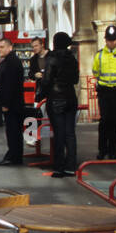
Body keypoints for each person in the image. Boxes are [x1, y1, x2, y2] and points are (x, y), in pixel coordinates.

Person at [42, 32, 80, 177]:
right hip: (71, 97)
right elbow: (75, 79)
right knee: (70, 133)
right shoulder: (72, 58)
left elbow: (46, 80)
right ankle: (71, 166)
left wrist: (41, 93)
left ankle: (59, 167)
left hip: (56, 97)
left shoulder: (52, 57)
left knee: (59, 133)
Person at [92, 24, 116, 160]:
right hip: (104, 92)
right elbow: (95, 71)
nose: (111, 42)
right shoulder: (99, 55)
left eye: (114, 40)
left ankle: (112, 151)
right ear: (105, 40)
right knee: (104, 121)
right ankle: (102, 150)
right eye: (109, 40)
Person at [0, 37, 26, 165]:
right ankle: (13, 155)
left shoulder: (12, 62)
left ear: (10, 47)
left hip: (12, 104)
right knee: (12, 130)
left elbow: (10, 85)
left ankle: (14, 157)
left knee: (13, 131)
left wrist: (6, 104)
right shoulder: (8, 61)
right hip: (12, 103)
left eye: (2, 47)